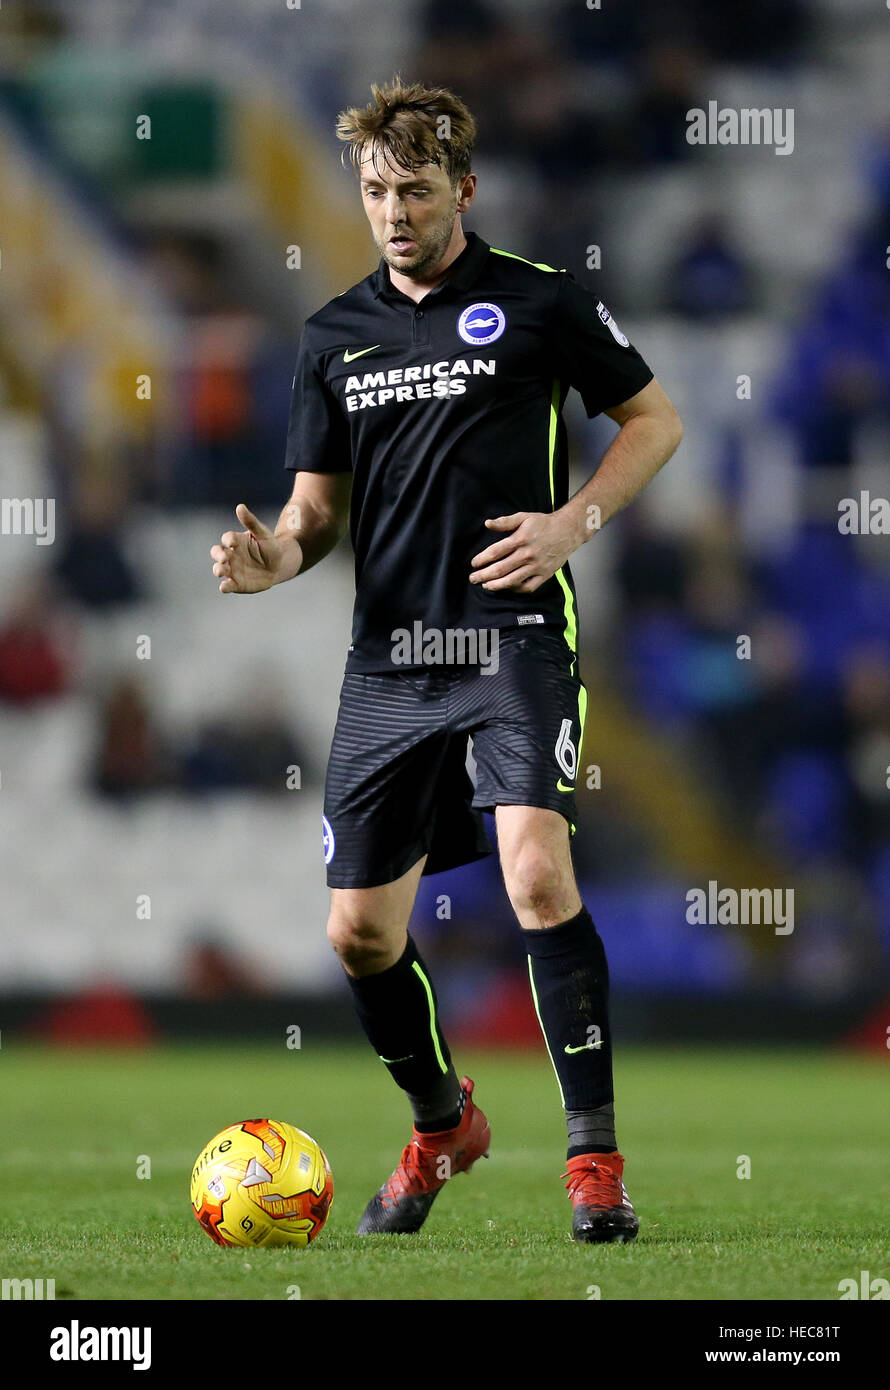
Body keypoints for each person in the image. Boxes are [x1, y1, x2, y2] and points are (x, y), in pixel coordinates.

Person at [209, 77, 682, 1243]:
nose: (392, 210)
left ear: (462, 189)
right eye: (374, 190)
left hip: (512, 638)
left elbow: (654, 420)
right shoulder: (331, 338)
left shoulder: (538, 302)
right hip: (389, 664)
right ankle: (440, 1124)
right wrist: (275, 557)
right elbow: (314, 513)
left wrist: (573, 523)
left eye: (414, 189)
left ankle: (594, 1167)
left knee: (534, 872)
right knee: (357, 935)